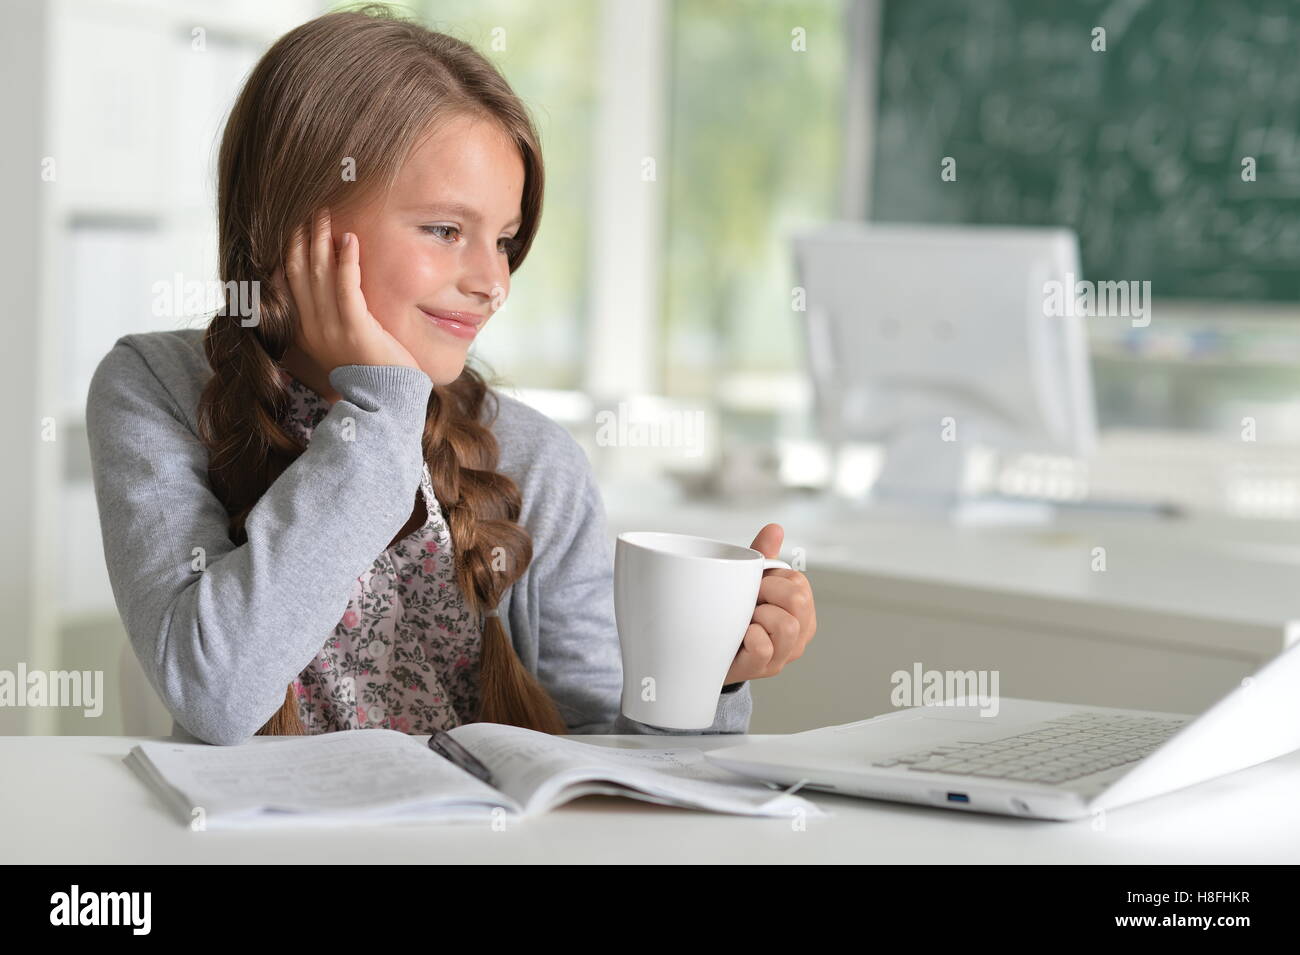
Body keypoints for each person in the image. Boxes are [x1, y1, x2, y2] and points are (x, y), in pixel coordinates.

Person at [86, 5, 816, 746]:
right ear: (297, 220)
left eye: (502, 240)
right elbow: (215, 691)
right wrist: (383, 412)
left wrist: (706, 678)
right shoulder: (156, 390)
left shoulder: (537, 463)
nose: (494, 282)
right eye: (445, 230)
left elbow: (610, 764)